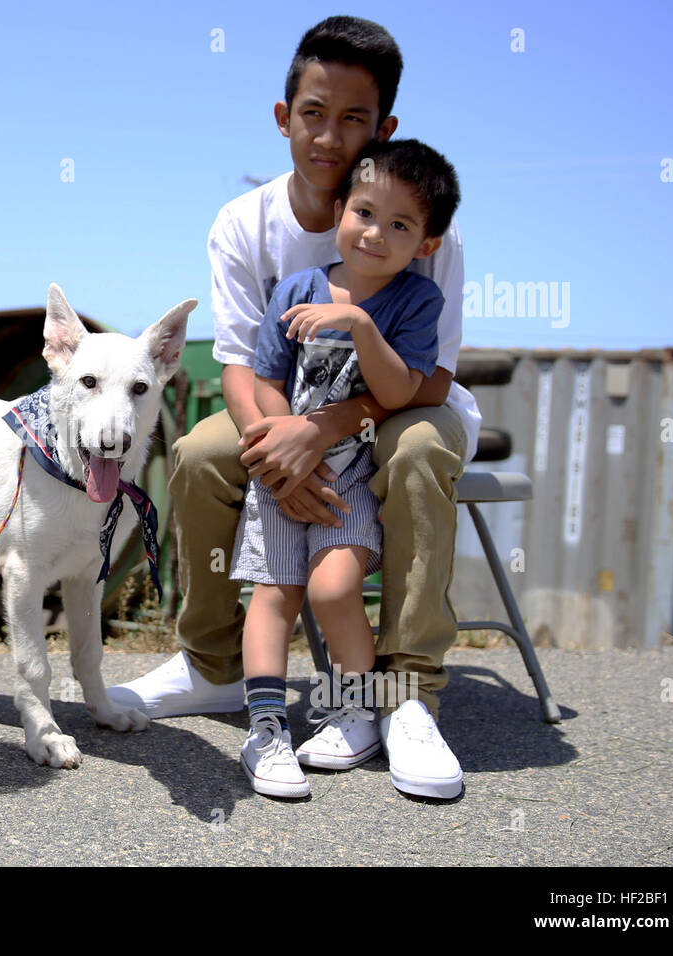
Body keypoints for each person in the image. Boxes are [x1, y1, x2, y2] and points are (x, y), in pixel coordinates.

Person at [108, 15, 481, 800]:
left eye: (355, 119)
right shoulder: (245, 225)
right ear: (284, 117)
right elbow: (242, 364)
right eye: (314, 113)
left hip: (405, 404)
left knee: (414, 450)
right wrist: (276, 453)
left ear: (384, 127)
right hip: (282, 403)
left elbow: (432, 382)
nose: (331, 136)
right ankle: (213, 665)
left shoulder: (421, 226)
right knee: (205, 453)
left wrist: (321, 432)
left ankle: (404, 692)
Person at [233, 139, 460, 798]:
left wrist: (359, 323)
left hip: (351, 479)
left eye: (400, 225)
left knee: (334, 590)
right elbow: (266, 379)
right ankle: (267, 727)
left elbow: (396, 395)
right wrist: (283, 453)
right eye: (364, 212)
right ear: (340, 209)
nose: (375, 233)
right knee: (274, 595)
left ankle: (357, 710)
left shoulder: (415, 304)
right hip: (281, 480)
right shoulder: (296, 290)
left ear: (426, 244)